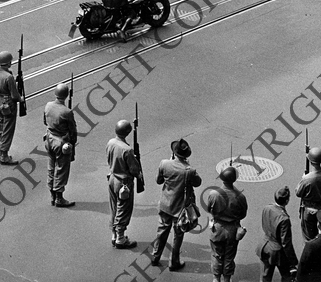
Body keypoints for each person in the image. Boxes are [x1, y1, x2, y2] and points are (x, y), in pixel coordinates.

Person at [149, 138, 201, 271]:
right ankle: (174, 261)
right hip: (181, 210)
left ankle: (155, 256)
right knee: (178, 235)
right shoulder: (189, 170)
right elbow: (197, 182)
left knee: (161, 231)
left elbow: (158, 180)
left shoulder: (164, 164)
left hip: (166, 205)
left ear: (174, 153)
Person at [204, 166, 248, 282]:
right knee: (229, 256)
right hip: (232, 230)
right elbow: (243, 214)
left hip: (217, 229)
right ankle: (227, 278)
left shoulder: (213, 194)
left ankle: (216, 278)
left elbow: (209, 209)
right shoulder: (240, 196)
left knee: (216, 255)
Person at [105, 119, 143, 249]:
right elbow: (133, 169)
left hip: (112, 178)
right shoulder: (127, 150)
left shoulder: (111, 142)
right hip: (123, 183)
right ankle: (120, 238)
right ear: (127, 133)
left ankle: (114, 234)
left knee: (114, 207)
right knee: (123, 209)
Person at [43, 82, 77, 207]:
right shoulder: (67, 112)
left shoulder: (48, 105)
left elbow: (44, 121)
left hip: (49, 139)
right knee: (62, 169)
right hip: (61, 142)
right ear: (66, 95)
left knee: (51, 167)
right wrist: (72, 142)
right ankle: (59, 198)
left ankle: (52, 194)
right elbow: (73, 130)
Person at [257, 186, 298, 282]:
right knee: (287, 277)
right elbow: (286, 243)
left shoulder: (267, 208)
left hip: (264, 246)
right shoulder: (284, 219)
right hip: (278, 252)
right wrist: (294, 261)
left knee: (265, 277)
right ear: (287, 201)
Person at [0, 50, 23, 165]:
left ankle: (1, 151)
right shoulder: (9, 77)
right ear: (8, 62)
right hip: (8, 103)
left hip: (0, 101)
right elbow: (14, 95)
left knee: (1, 126)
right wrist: (21, 99)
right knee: (8, 129)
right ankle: (4, 155)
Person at [294, 147, 321, 241]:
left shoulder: (307, 179)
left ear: (310, 161)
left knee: (309, 237)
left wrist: (303, 178)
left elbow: (298, 193)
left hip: (309, 209)